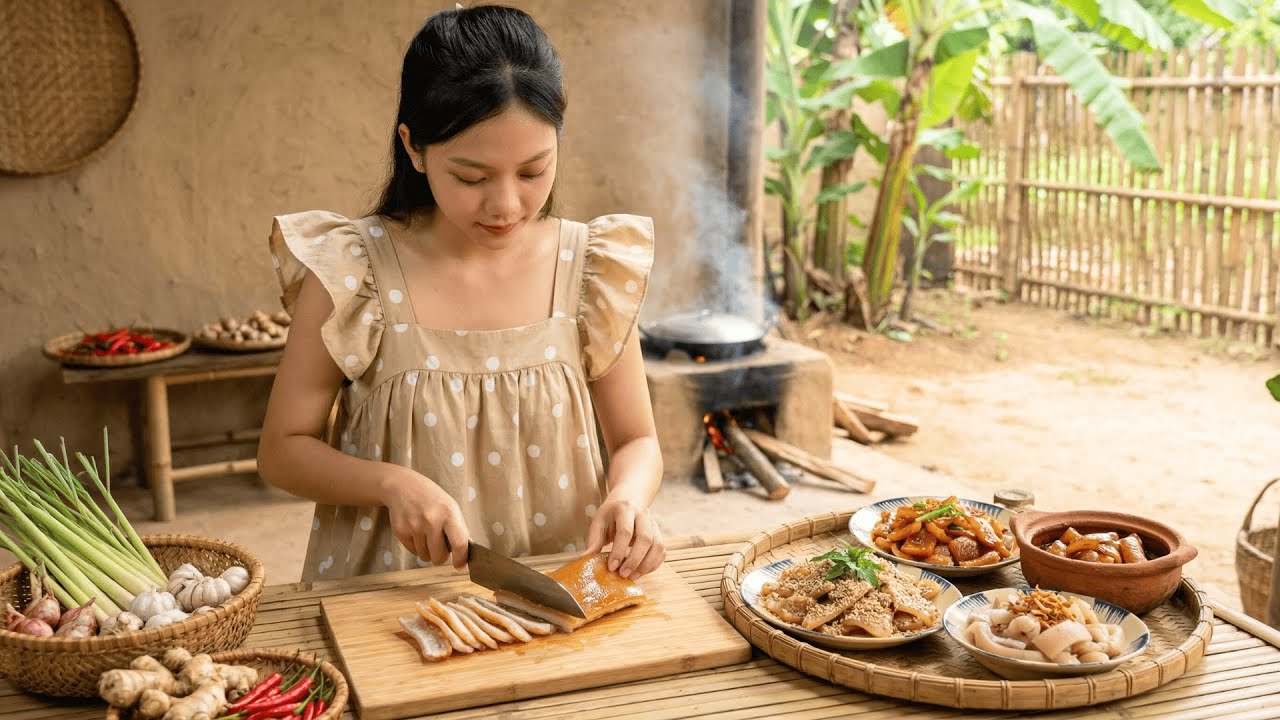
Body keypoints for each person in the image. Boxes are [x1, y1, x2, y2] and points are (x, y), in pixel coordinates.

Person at [257, 4, 664, 583]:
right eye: (471, 177)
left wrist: (628, 497)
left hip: (562, 587)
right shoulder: (356, 270)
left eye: (533, 171)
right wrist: (391, 483)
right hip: (387, 598)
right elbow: (282, 450)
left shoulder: (589, 269)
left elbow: (638, 439)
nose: (505, 205)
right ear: (415, 148)